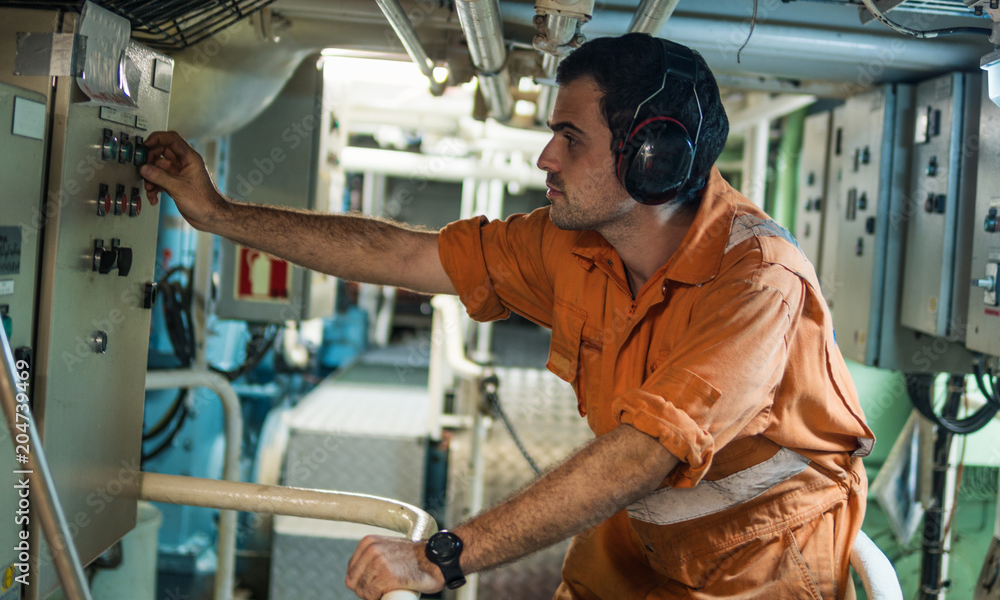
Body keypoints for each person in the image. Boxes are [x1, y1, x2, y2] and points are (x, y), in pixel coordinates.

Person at [141, 33, 874, 600]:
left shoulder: (756, 281)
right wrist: (220, 215)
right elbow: (402, 256)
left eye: (571, 137)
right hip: (637, 540)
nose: (544, 157)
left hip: (762, 565)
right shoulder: (577, 246)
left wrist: (443, 555)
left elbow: (648, 451)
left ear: (654, 157)